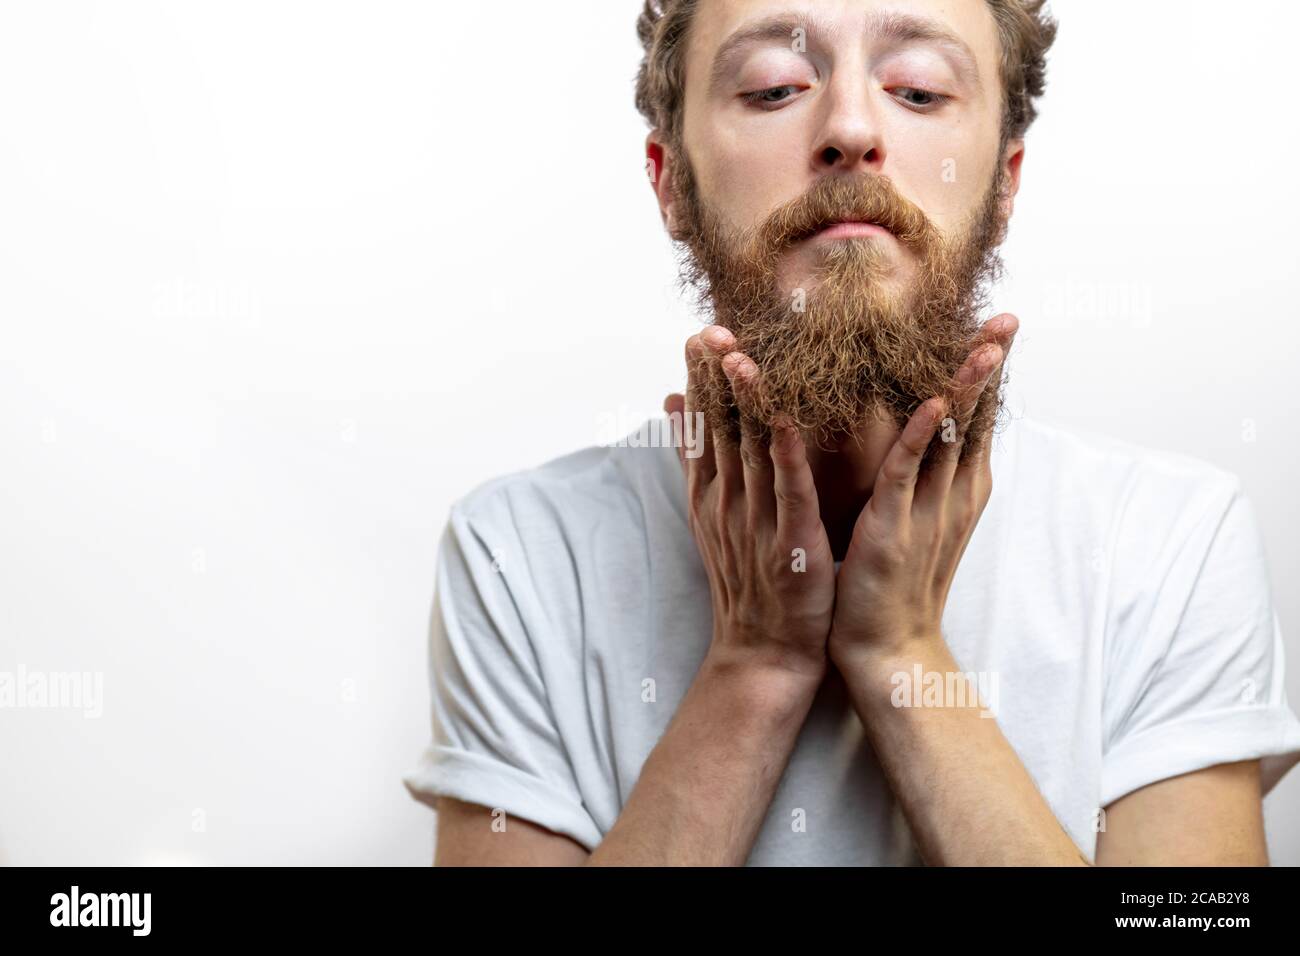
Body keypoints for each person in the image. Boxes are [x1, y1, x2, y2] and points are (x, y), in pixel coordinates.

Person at [405, 0, 1300, 865]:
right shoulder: (518, 555)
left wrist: (901, 652)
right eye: (772, 87)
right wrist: (753, 666)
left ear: (1002, 186)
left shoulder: (1170, 544)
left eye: (916, 90)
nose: (851, 129)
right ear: (670, 181)